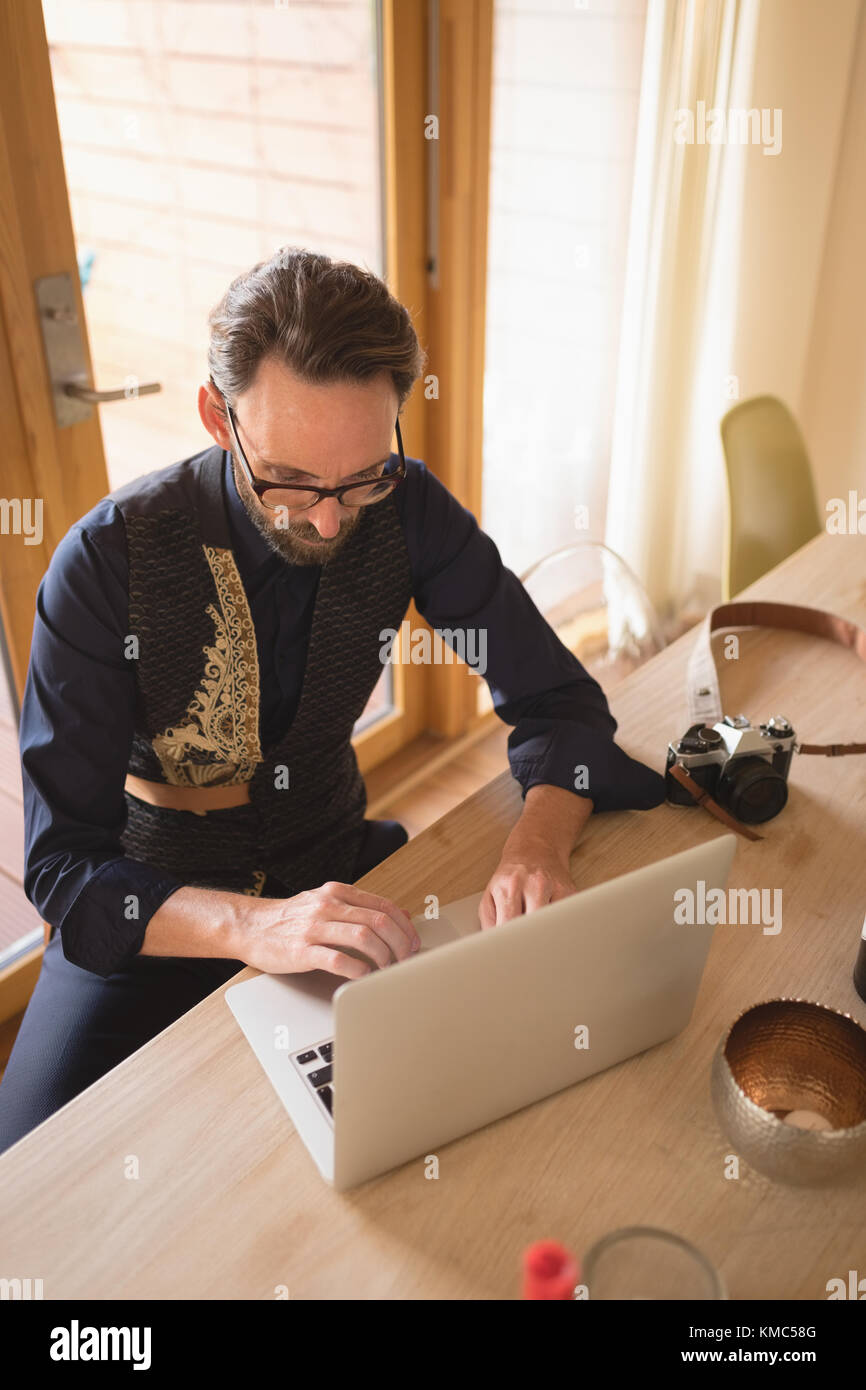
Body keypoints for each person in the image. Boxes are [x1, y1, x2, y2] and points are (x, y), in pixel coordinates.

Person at [0, 247, 665, 1154]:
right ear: (215, 415)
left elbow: (560, 704)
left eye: (359, 480)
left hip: (339, 866)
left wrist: (535, 847)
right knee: (28, 1169)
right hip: (152, 906)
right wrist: (254, 925)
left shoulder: (409, 510)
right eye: (292, 481)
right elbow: (65, 873)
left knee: (466, 1113)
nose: (326, 519)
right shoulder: (105, 561)